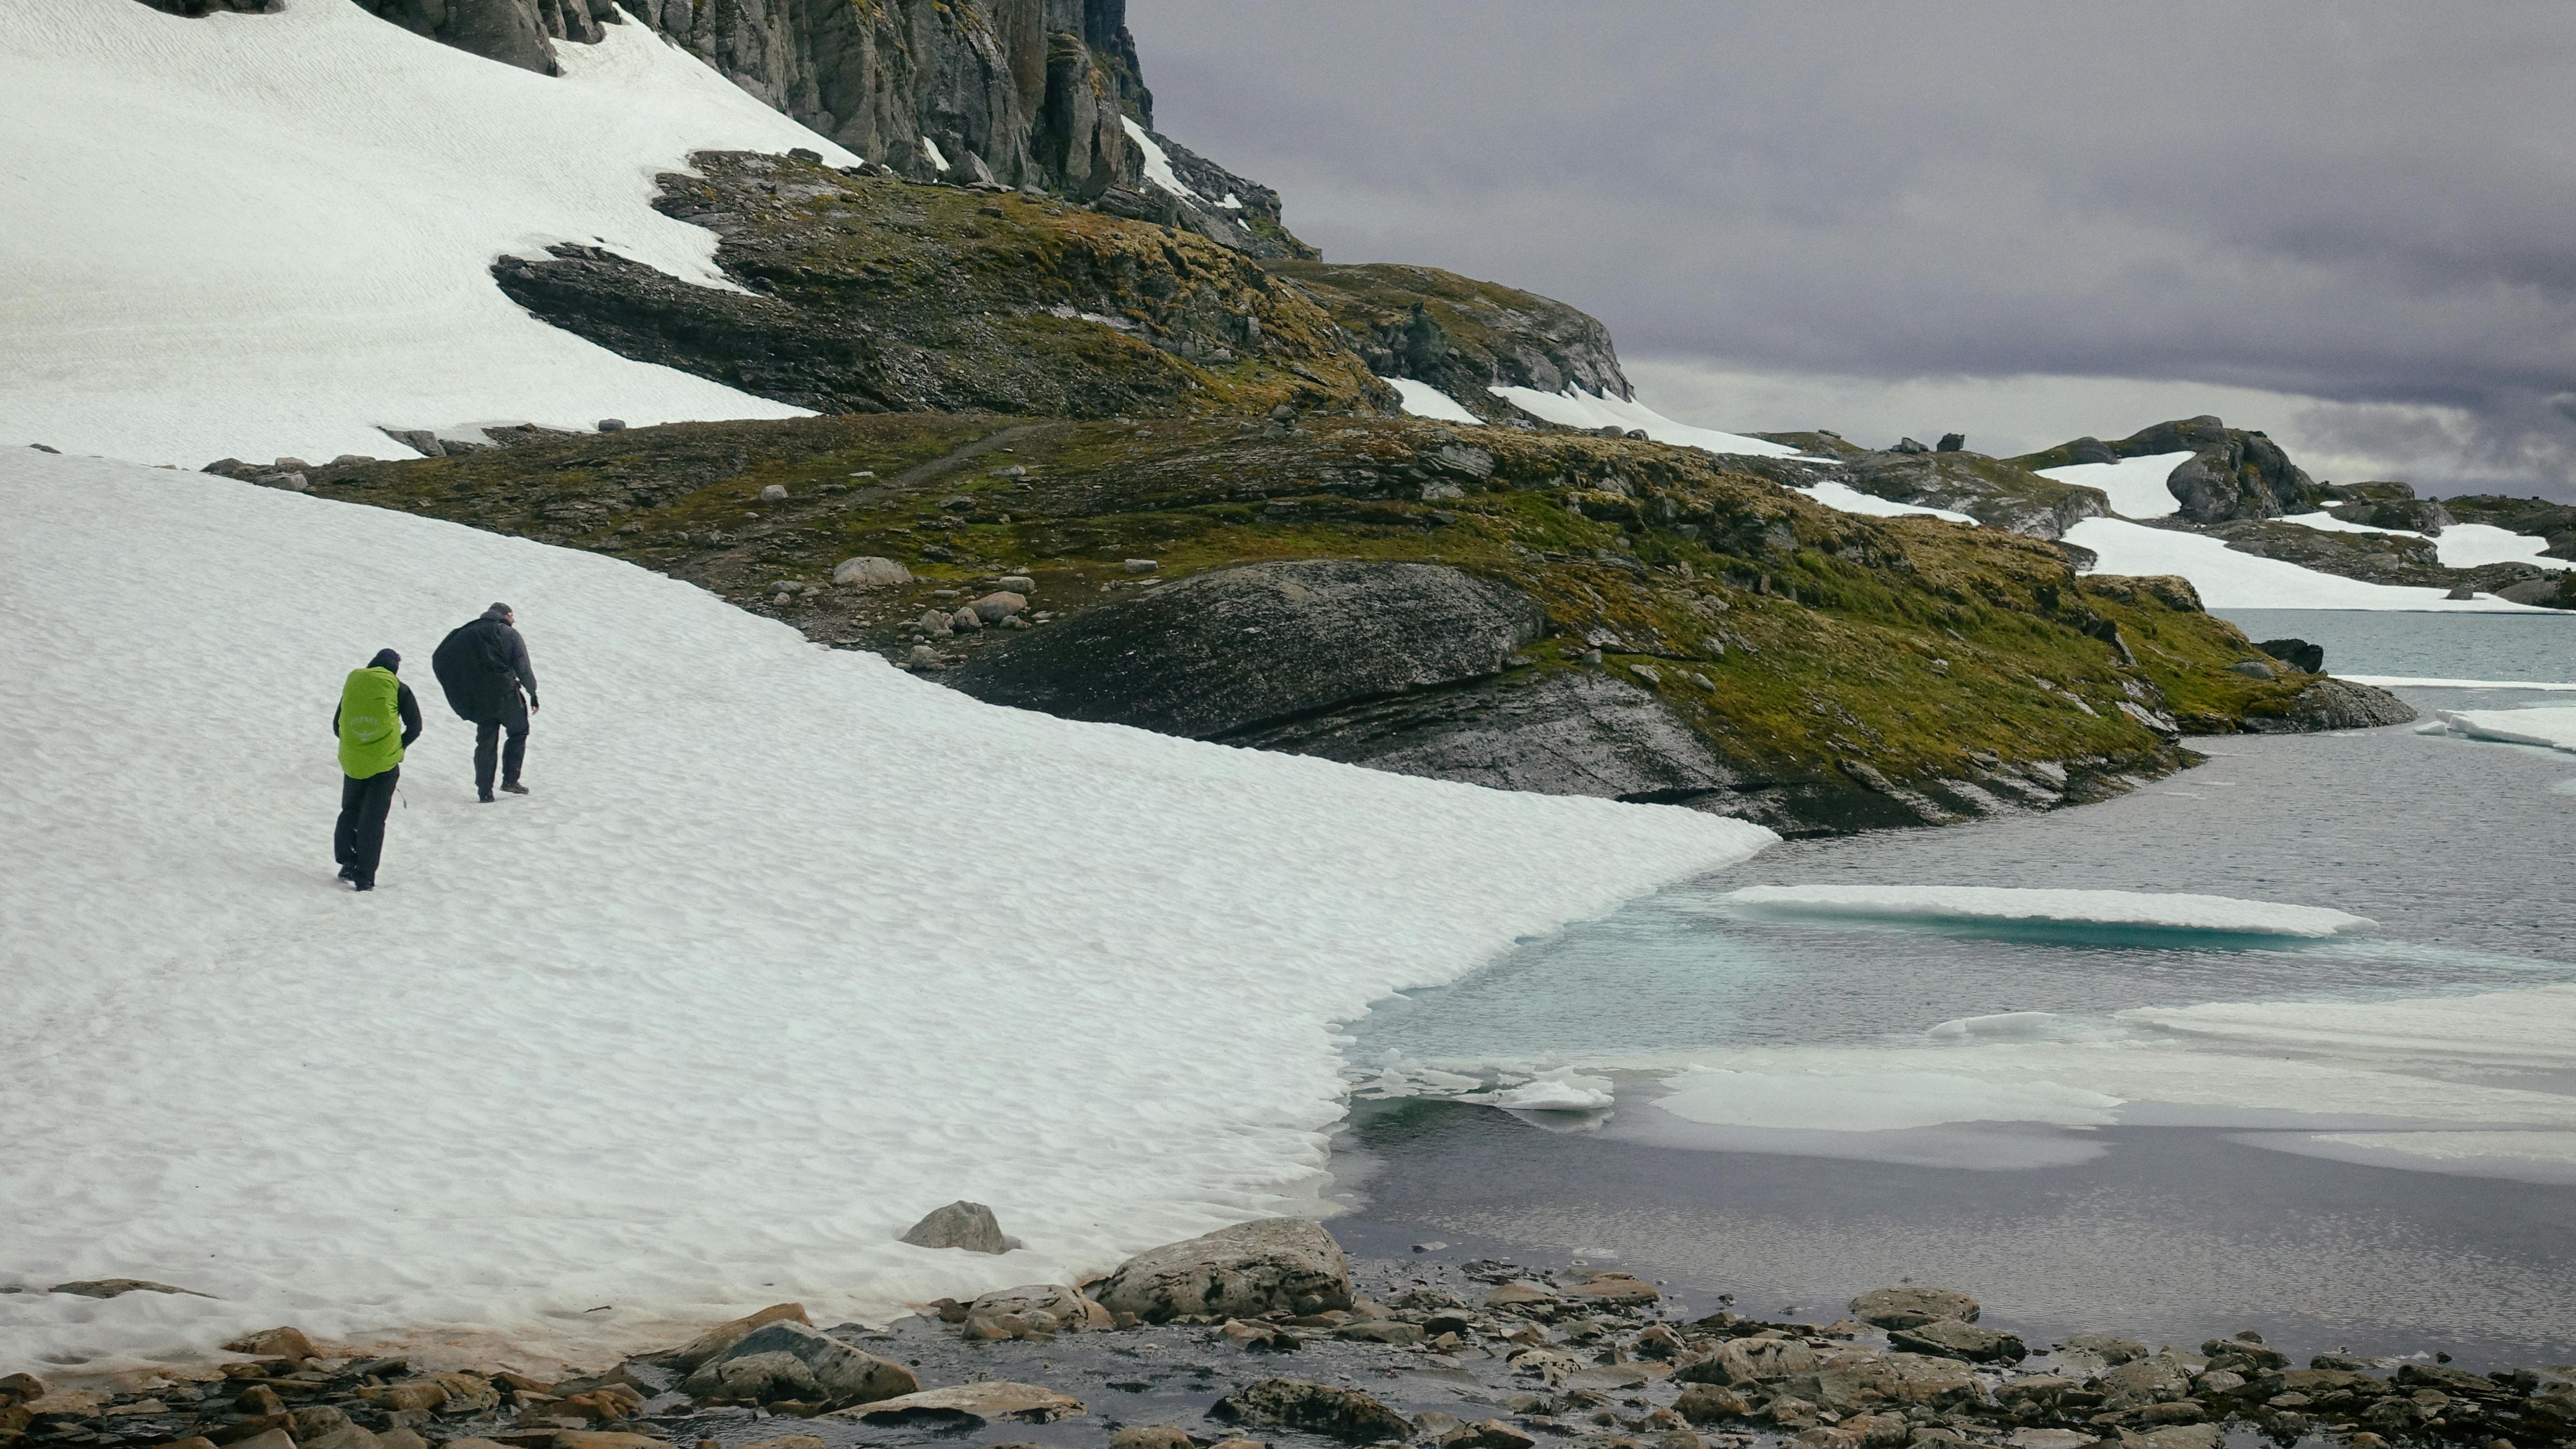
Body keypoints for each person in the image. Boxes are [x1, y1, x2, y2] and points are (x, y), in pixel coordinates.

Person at [431, 601, 540, 803]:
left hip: (480, 699)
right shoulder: (509, 634)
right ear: (504, 616)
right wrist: (533, 692)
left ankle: (484, 792)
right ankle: (510, 780)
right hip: (506, 694)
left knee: (486, 742)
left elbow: (441, 658)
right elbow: (522, 666)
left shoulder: (467, 632)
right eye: (511, 615)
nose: (513, 620)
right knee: (519, 731)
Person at [331, 648, 421, 892]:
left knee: (350, 810)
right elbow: (416, 726)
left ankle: (347, 861)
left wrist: (355, 745)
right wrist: (396, 747)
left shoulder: (354, 683)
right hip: (384, 764)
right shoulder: (398, 688)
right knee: (373, 818)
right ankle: (365, 877)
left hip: (353, 761)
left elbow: (336, 724)